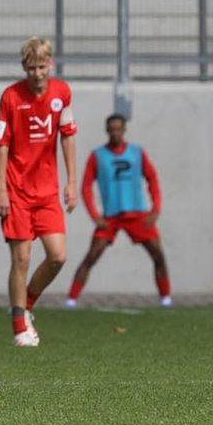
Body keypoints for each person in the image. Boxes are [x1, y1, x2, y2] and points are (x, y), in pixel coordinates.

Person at [0, 37, 77, 347]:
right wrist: (1, 189)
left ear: (51, 65)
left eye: (42, 67)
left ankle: (27, 303)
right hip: (16, 190)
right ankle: (19, 325)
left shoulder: (62, 93)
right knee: (22, 257)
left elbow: (67, 137)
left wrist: (71, 182)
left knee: (58, 256)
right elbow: (1, 144)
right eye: (32, 68)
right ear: (24, 67)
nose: (38, 73)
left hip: (47, 191)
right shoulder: (11, 97)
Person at [64, 113, 171, 308]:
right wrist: (95, 216)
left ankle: (166, 299)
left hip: (138, 214)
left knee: (158, 254)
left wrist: (155, 210)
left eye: (118, 129)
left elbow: (152, 179)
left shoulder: (137, 153)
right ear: (107, 130)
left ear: (124, 130)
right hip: (111, 217)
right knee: (92, 255)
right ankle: (71, 300)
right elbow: (86, 186)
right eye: (111, 129)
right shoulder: (98, 156)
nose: (115, 133)